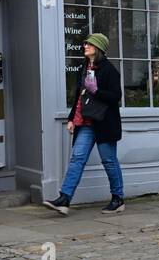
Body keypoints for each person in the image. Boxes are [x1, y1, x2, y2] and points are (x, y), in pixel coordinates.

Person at [44, 33, 125, 215]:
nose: (85, 46)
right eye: (85, 43)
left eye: (89, 44)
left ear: (98, 48)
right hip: (86, 122)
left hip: (105, 123)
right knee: (77, 158)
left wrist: (96, 91)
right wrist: (73, 118)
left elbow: (115, 97)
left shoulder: (109, 70)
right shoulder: (84, 67)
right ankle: (64, 199)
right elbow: (79, 96)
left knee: (109, 161)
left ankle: (118, 198)